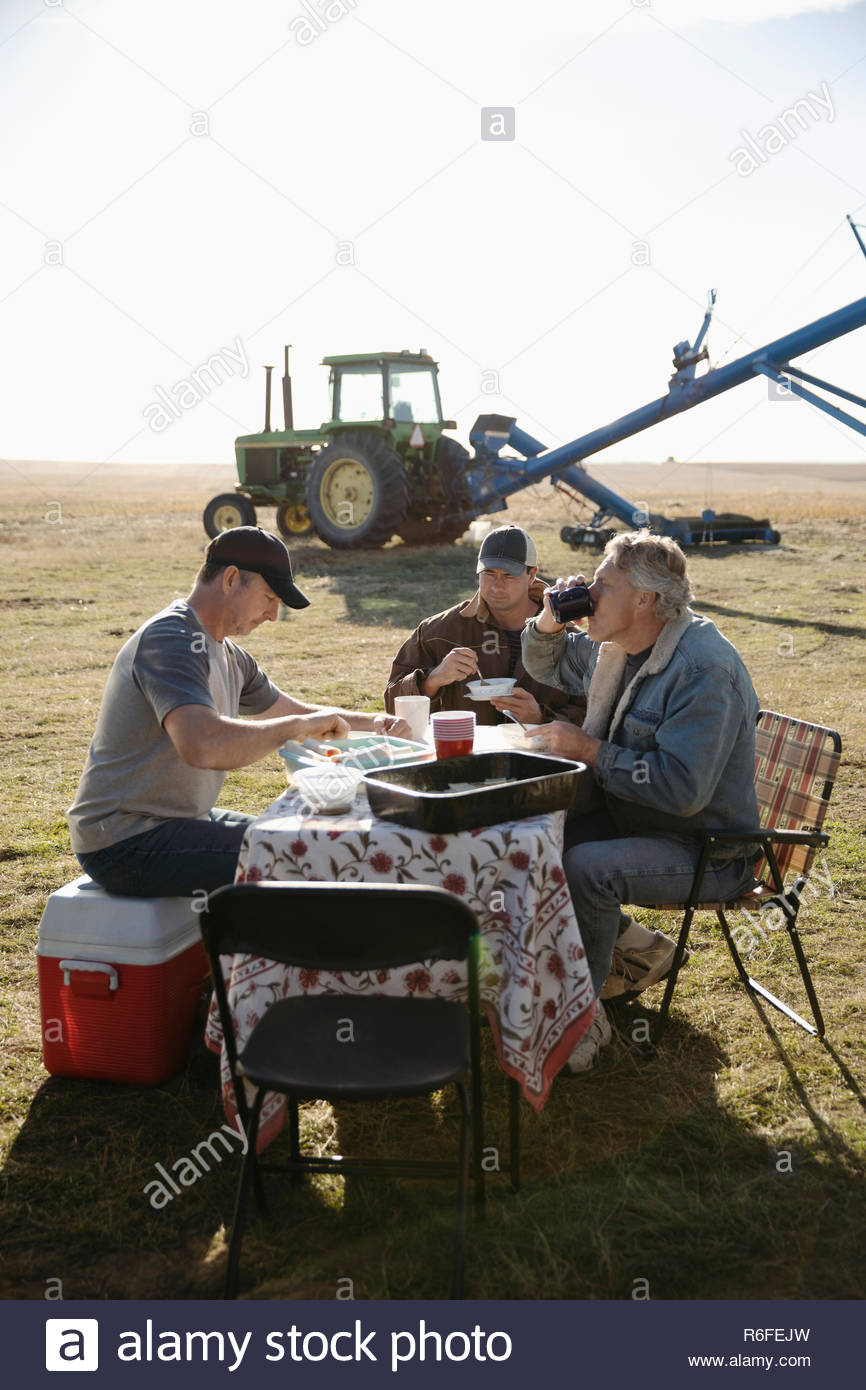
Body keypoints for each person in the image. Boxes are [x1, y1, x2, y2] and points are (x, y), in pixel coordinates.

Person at [521, 529, 761, 1071]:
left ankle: (581, 1021)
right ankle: (608, 962)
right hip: (639, 820)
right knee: (531, 838)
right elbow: (549, 663)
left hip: (706, 845)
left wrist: (589, 748)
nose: (588, 592)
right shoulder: (623, 647)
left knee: (584, 867)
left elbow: (681, 790)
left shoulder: (703, 669)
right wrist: (549, 618)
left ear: (645, 599)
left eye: (601, 585)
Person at [68, 527, 410, 898]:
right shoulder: (171, 640)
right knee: (308, 853)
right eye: (269, 597)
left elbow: (294, 710)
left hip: (178, 822)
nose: (273, 615)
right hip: (124, 841)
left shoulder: (229, 654)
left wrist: (376, 723)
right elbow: (203, 746)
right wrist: (296, 727)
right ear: (231, 579)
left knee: (306, 835)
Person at [384, 525, 587, 727]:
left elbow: (596, 716)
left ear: (532, 575)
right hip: (464, 755)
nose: (497, 586)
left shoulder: (567, 638)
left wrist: (541, 719)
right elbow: (393, 709)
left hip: (541, 757)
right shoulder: (439, 633)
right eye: (489, 573)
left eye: (508, 575)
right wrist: (432, 680)